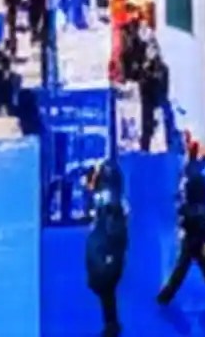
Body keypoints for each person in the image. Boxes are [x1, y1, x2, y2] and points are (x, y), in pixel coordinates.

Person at [157, 143, 205, 305]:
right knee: (203, 262)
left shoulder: (187, 176)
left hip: (192, 224)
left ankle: (166, 295)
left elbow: (183, 201)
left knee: (185, 263)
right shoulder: (202, 174)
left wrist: (181, 217)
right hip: (201, 223)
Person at [85, 160, 128, 337]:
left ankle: (112, 325)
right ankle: (112, 324)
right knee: (105, 289)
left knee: (105, 286)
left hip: (107, 250)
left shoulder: (110, 203)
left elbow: (114, 230)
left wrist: (110, 253)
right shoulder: (109, 200)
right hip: (105, 249)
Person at [138, 49, 169, 152]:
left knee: (157, 125)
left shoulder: (162, 69)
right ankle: (145, 147)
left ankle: (157, 147)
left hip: (157, 101)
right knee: (146, 126)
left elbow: (163, 85)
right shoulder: (144, 68)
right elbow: (142, 85)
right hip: (147, 101)